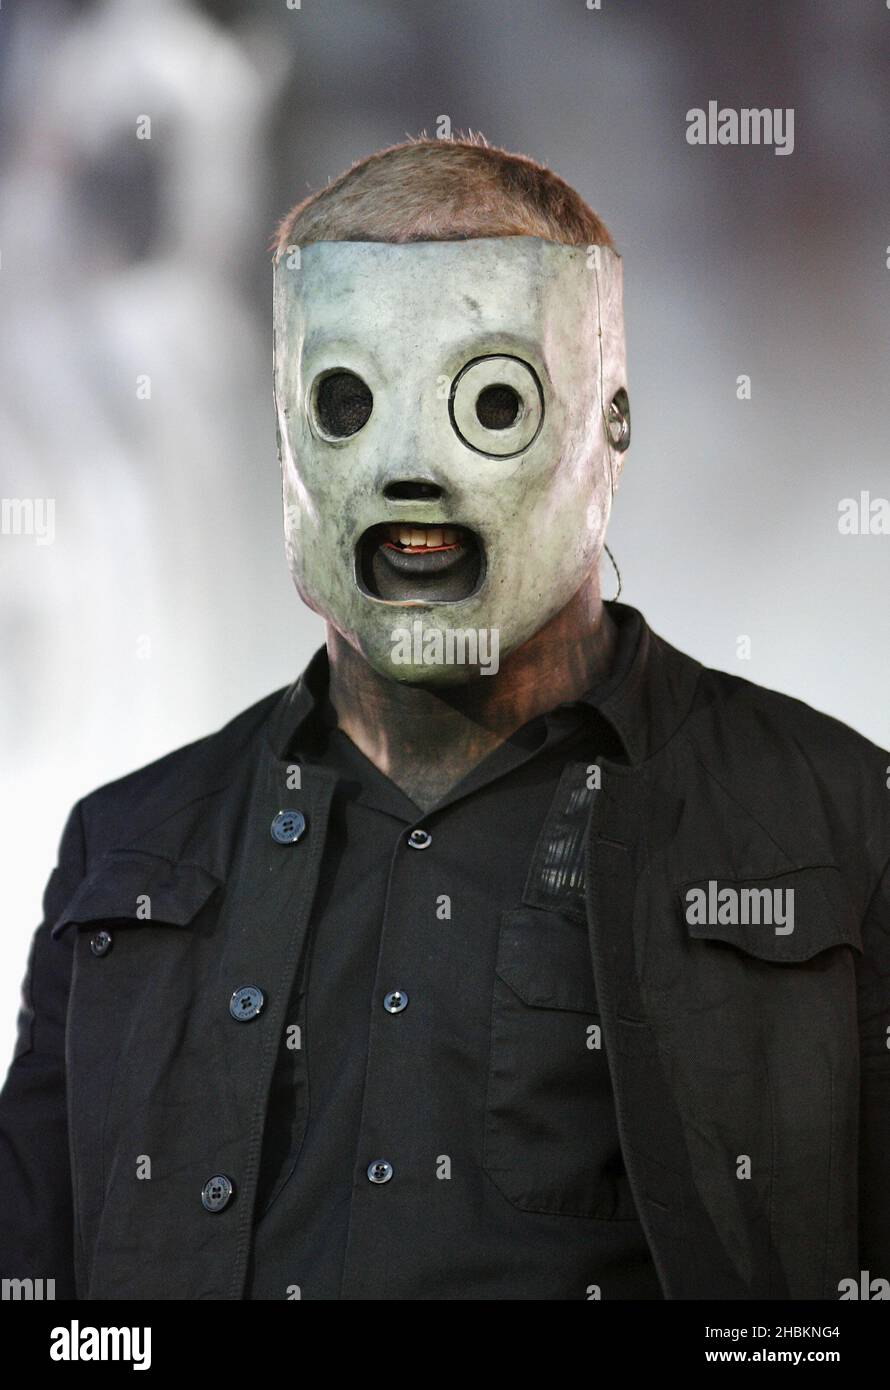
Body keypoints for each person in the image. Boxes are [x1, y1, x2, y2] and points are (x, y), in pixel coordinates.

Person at [1, 136, 888, 1301]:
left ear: (608, 426)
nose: (411, 471)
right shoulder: (130, 847)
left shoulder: (833, 817)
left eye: (491, 402)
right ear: (281, 441)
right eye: (346, 402)